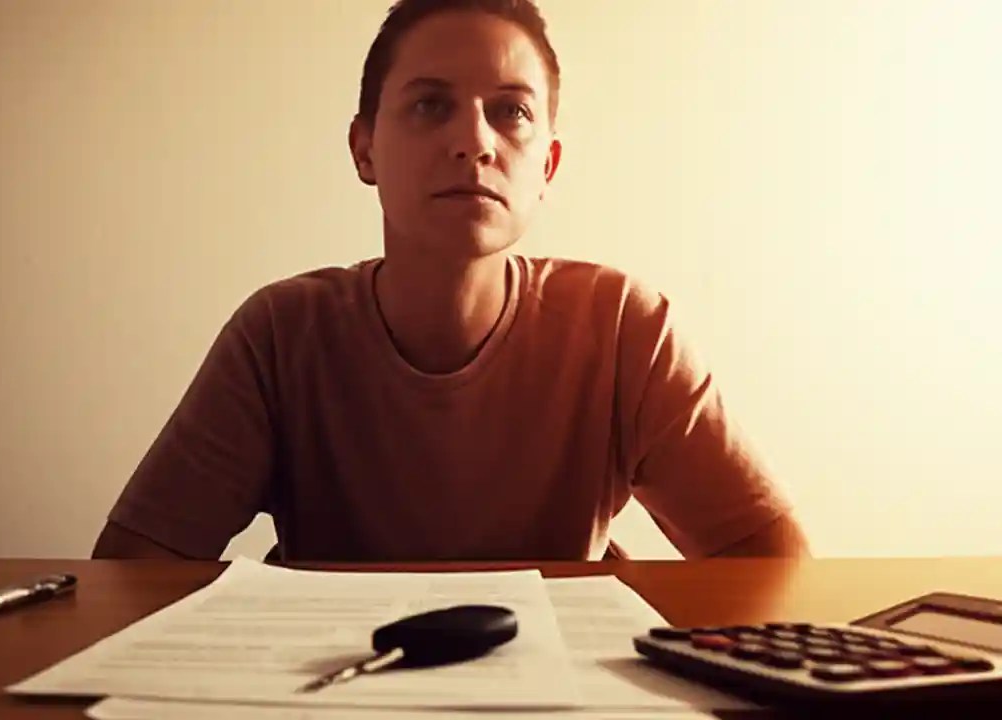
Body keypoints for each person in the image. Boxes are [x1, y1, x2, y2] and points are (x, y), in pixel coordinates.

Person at [93, 0, 808, 562]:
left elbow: (768, 567)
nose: (474, 140)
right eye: (431, 105)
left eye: (512, 111)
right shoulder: (280, 335)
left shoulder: (625, 327)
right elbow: (135, 574)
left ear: (548, 165)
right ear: (364, 147)